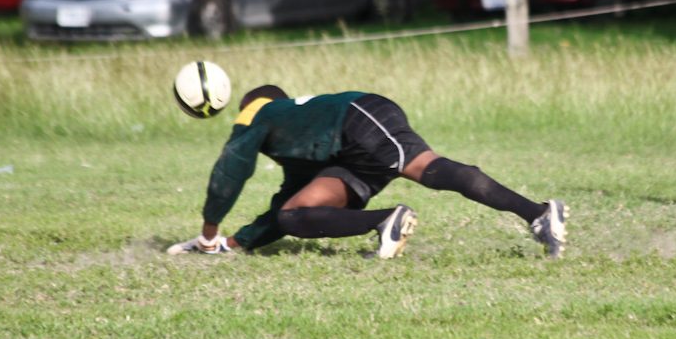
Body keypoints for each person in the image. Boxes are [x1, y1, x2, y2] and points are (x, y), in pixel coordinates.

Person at [168, 85, 569, 258]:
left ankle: (539, 213)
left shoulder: (259, 111)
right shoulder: (294, 137)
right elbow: (279, 210)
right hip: (350, 149)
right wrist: (230, 245)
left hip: (360, 117)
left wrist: (208, 234)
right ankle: (386, 222)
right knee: (293, 213)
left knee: (433, 171)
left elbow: (230, 169)